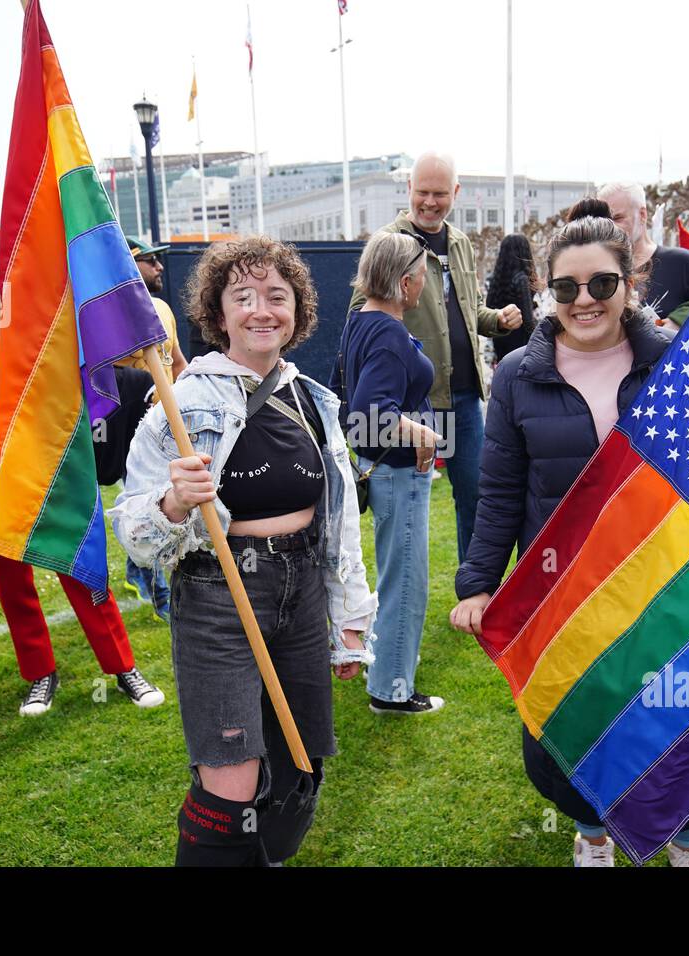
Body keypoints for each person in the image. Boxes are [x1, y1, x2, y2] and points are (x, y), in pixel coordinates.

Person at [448, 216, 689, 867]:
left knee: (686, 717)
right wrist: (479, 583)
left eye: (602, 282)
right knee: (580, 720)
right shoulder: (517, 374)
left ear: (630, 283)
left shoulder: (679, 361)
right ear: (548, 291)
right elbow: (501, 491)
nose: (585, 300)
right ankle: (592, 838)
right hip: (567, 591)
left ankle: (688, 839)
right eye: (567, 288)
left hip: (673, 580)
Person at [112, 236, 376, 866]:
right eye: (243, 297)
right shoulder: (180, 405)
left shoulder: (315, 401)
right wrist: (174, 503)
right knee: (230, 785)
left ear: (298, 310)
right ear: (219, 313)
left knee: (298, 767)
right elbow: (135, 538)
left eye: (276, 296)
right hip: (219, 599)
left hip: (303, 594)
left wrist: (352, 620)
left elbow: (340, 528)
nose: (262, 310)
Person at [0, 223, 165, 718]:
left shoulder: (47, 325)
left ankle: (122, 665)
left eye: (0, 261)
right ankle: (39, 672)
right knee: (11, 579)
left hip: (54, 467)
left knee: (86, 568)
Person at [347, 152, 522, 564]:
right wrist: (398, 348)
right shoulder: (388, 243)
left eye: (439, 194)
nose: (430, 202)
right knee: (408, 510)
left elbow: (468, 311)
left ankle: (474, 588)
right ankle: (406, 598)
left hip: (463, 396)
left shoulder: (461, 242)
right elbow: (362, 310)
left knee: (475, 496)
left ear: (455, 193)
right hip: (415, 404)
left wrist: (497, 320)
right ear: (408, 189)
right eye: (422, 192)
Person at [331, 232, 443, 713]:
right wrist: (423, 435)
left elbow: (341, 396)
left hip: (376, 467)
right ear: (404, 281)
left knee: (392, 574)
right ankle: (392, 690)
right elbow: (369, 410)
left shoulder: (361, 320)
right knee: (405, 581)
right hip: (396, 471)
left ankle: (382, 671)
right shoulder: (390, 333)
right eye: (420, 275)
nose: (424, 283)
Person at [118, 236, 187, 622]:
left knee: (167, 500)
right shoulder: (112, 312)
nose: (159, 267)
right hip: (133, 429)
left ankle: (136, 571)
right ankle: (158, 591)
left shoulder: (162, 307)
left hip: (168, 424)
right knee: (145, 504)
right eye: (151, 260)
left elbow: (176, 361)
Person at [597, 181, 689, 326]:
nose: (609, 227)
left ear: (642, 215)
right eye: (603, 221)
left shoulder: (681, 262)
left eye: (617, 218)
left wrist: (679, 321)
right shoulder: (596, 269)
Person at [486, 233, 539, 363]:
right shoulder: (521, 279)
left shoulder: (496, 279)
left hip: (501, 339)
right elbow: (528, 320)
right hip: (520, 343)